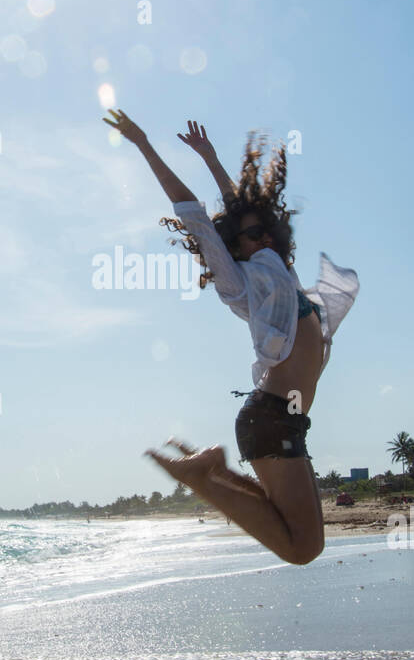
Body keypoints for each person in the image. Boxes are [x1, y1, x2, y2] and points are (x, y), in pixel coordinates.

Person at [101, 110, 359, 565]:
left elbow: (239, 206)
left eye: (265, 231)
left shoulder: (281, 273)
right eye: (251, 236)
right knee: (303, 548)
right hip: (271, 417)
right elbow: (194, 216)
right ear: (235, 246)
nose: (262, 238)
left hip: (285, 420)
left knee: (304, 536)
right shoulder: (241, 280)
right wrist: (144, 144)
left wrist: (213, 159)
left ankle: (212, 470)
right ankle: (203, 476)